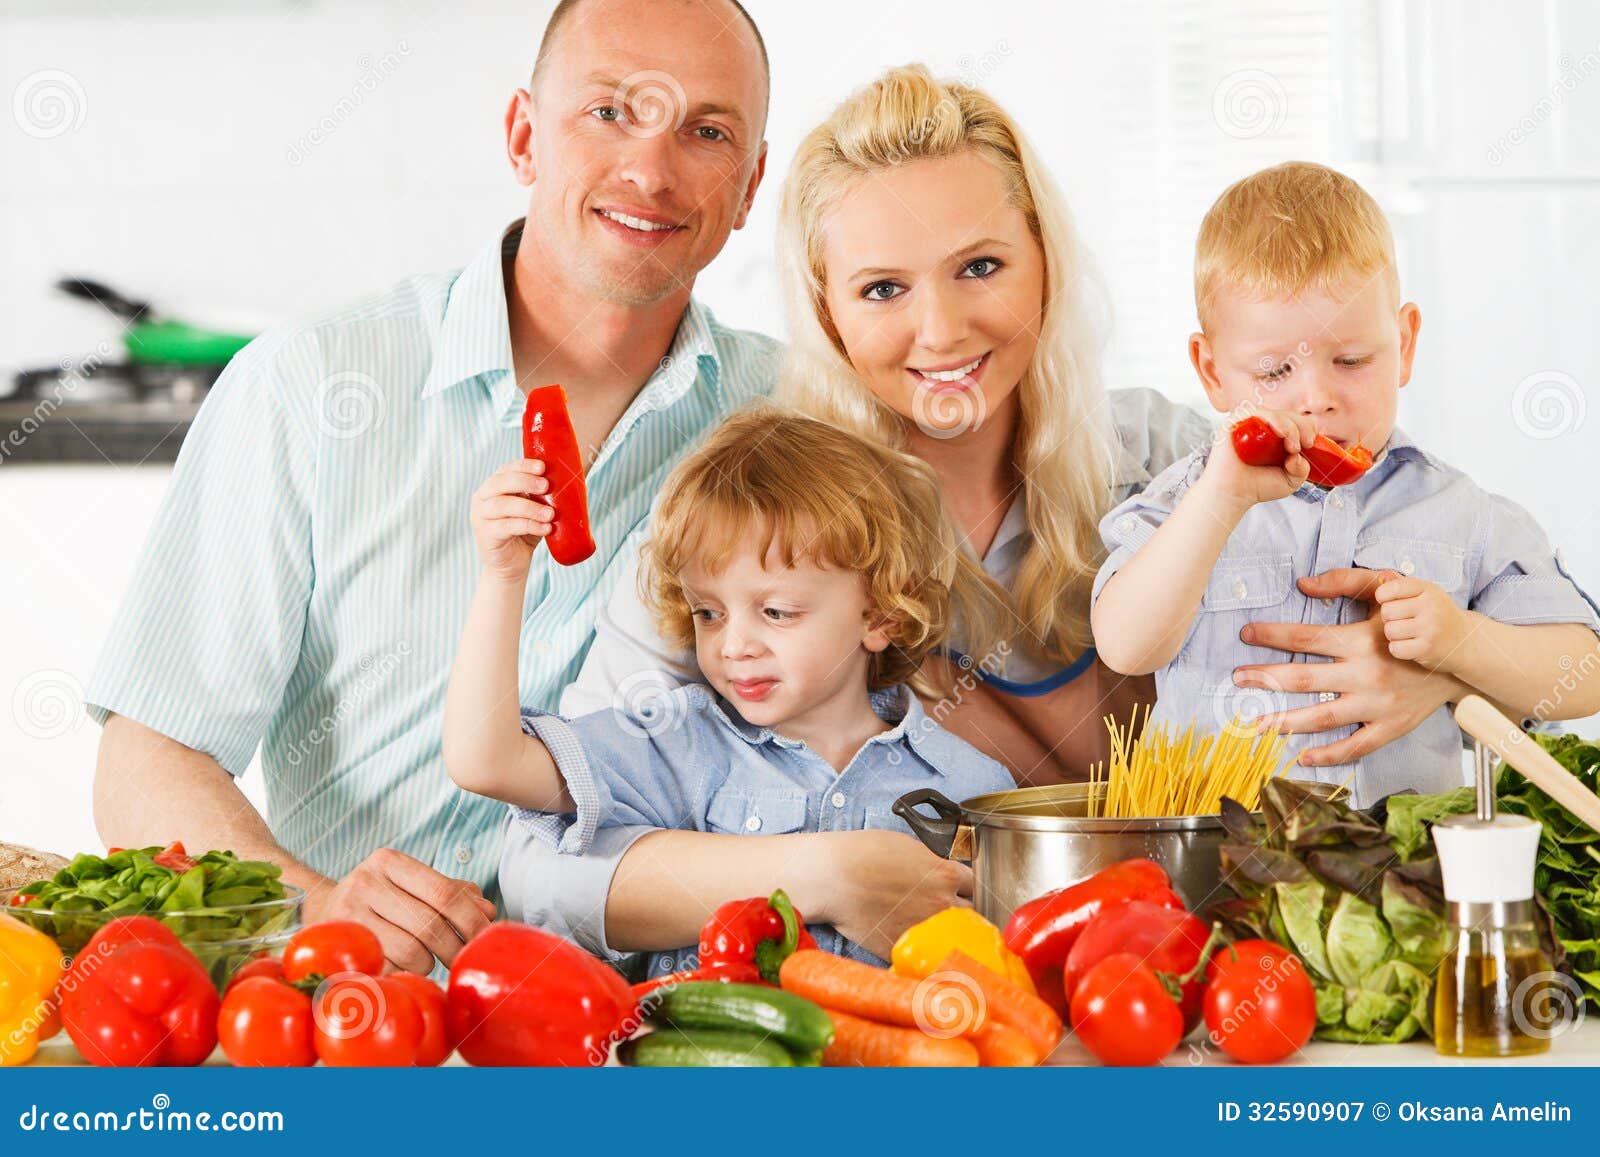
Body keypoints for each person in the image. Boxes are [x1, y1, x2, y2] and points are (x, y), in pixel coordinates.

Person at [502, 67, 1475, 965]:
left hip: (1192, 996)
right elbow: (546, 870)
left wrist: (1430, 674)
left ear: (1044, 260)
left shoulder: (1180, 460)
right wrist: (826, 872)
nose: (940, 330)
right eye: (883, 287)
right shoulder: (749, 510)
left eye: (979, 267)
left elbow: (1483, 617)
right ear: (828, 309)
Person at [83, 0, 778, 974]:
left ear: (747, 187)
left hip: (662, 1025)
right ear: (524, 136)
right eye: (610, 111)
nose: (650, 170)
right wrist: (313, 906)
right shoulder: (310, 388)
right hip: (361, 1020)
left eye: (706, 131)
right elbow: (151, 758)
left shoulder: (792, 420)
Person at [1091, 161, 1600, 803]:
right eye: (1273, 372)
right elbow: (1126, 647)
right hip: (1215, 870)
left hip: (1402, 876)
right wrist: (1220, 500)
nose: (1317, 400)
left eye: (1352, 361)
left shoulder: (1464, 513)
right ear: (1212, 372)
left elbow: (1583, 674)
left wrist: (1461, 642)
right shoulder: (1184, 502)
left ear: (1405, 344)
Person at [445, 408, 1012, 974]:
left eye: (775, 611)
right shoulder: (674, 743)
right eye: (708, 612)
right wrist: (504, 577)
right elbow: (485, 762)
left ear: (881, 614)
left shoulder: (973, 787)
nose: (734, 645)